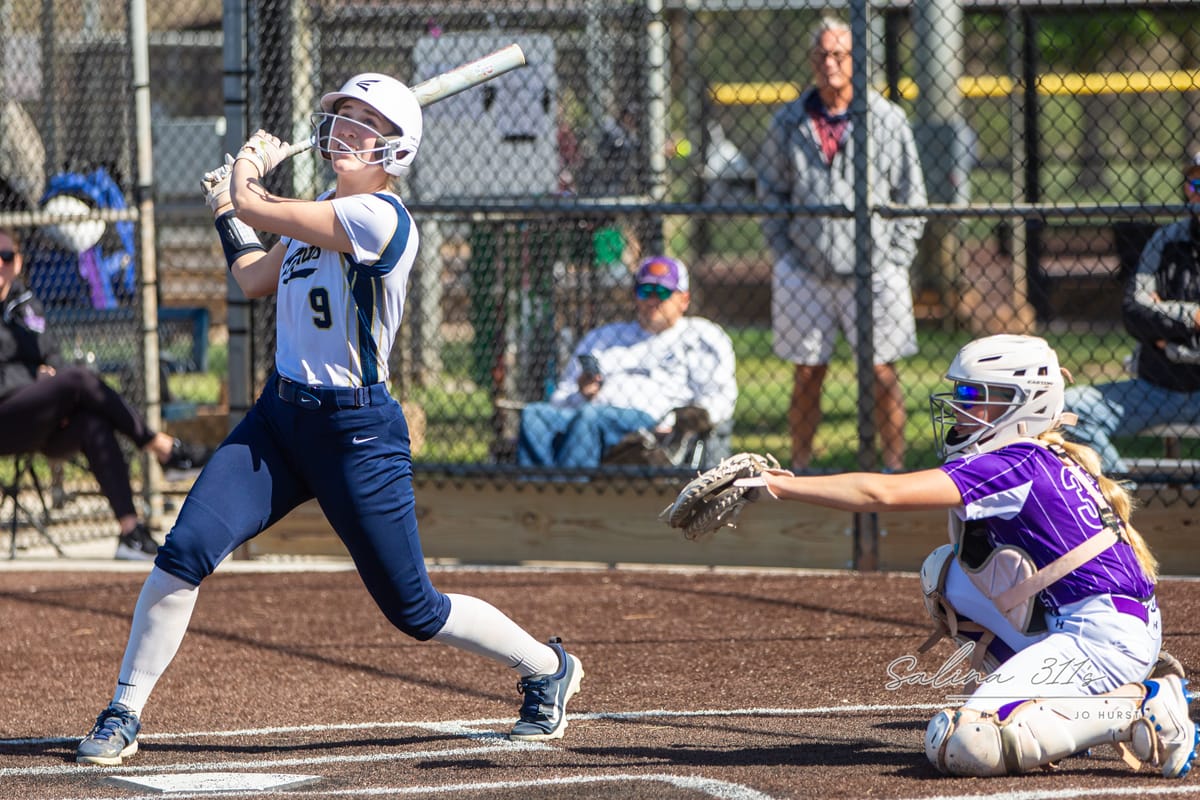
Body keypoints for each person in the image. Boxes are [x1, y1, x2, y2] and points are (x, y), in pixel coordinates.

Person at [75, 73, 583, 766]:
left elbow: (259, 202)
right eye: (342, 119)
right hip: (279, 420)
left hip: (358, 434)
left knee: (415, 611)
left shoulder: (380, 218)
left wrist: (247, 174)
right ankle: (122, 711)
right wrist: (231, 213)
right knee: (184, 551)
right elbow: (253, 277)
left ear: (394, 150)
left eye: (365, 125)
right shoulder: (318, 208)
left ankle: (548, 667)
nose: (347, 132)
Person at [733, 333, 1195, 778]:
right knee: (945, 576)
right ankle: (1049, 707)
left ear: (1024, 403)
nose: (961, 407)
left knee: (964, 743)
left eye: (978, 395)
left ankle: (1139, 705)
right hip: (1102, 623)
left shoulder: (1012, 460)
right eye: (963, 392)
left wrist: (778, 484)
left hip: (1101, 636)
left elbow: (881, 492)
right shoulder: (1041, 453)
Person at [755, 16, 926, 473]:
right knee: (808, 373)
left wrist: (895, 260)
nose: (830, 63)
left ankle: (892, 469)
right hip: (807, 269)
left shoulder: (886, 118)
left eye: (840, 55)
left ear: (856, 61)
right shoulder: (790, 120)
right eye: (822, 55)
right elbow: (770, 190)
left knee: (882, 373)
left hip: (875, 270)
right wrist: (786, 255)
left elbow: (912, 196)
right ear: (812, 62)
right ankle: (799, 467)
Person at [0, 226, 208, 560]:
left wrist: (45, 380)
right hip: (5, 421)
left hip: (40, 424)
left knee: (92, 422)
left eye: (7, 256)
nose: (0, 263)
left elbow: (53, 358)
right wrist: (35, 380)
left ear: (19, 262)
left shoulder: (28, 306)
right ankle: (163, 448)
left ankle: (130, 533)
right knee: (79, 380)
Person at [516, 255, 737, 469]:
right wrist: (582, 393)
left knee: (590, 417)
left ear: (684, 299)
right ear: (635, 296)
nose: (652, 300)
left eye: (662, 292)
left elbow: (720, 397)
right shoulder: (604, 337)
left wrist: (680, 425)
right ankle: (535, 494)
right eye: (645, 291)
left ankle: (569, 496)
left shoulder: (700, 336)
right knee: (535, 415)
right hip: (587, 415)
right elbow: (559, 400)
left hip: (651, 423)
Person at [1065, 153, 1200, 474]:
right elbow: (1134, 312)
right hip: (1158, 387)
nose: (1197, 192)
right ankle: (1123, 498)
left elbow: (1150, 314)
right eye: (1194, 183)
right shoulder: (1166, 240)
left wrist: (1167, 335)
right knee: (1067, 410)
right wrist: (1192, 317)